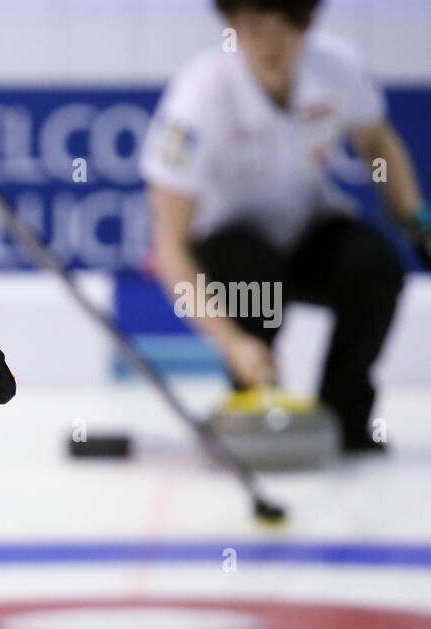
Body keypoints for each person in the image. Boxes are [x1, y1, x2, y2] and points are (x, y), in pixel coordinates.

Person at [141, 0, 431, 452]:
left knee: (374, 268)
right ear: (233, 23)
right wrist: (231, 342)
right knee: (253, 272)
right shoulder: (200, 95)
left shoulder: (337, 67)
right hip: (233, 251)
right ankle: (253, 399)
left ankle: (344, 416)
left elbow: (376, 140)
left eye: (287, 27)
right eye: (256, 27)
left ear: (309, 22)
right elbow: (169, 245)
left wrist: (416, 219)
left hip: (309, 233)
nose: (271, 43)